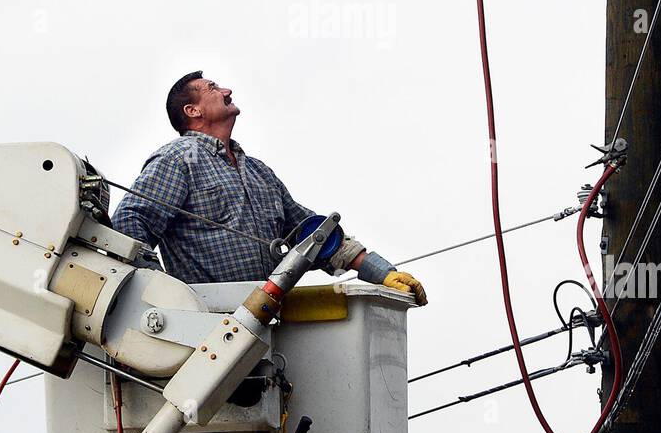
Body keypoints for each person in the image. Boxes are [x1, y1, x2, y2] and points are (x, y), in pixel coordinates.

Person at [111, 71, 426, 304]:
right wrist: (163, 295)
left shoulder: (258, 171)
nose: (226, 89)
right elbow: (131, 221)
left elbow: (313, 235)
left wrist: (380, 272)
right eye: (212, 87)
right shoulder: (180, 157)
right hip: (209, 327)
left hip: (266, 323)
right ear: (193, 111)